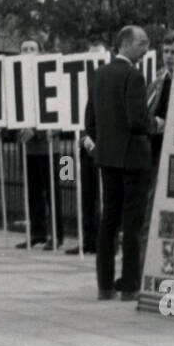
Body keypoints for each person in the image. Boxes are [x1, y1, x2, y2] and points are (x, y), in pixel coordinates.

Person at [82, 26, 158, 300]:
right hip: (134, 159)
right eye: (141, 42)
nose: (146, 47)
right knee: (132, 224)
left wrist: (101, 146)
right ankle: (129, 286)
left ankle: (104, 285)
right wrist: (156, 124)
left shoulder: (99, 75)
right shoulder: (134, 76)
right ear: (125, 45)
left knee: (108, 221)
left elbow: (89, 120)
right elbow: (137, 120)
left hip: (108, 158)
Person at [15, 40, 65, 249]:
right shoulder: (19, 80)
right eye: (24, 49)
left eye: (32, 49)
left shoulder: (50, 76)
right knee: (33, 190)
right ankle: (37, 231)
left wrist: (36, 129)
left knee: (52, 190)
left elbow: (58, 109)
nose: (28, 52)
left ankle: (57, 234)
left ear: (40, 52)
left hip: (48, 145)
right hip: (28, 146)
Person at [138, 28, 174, 257]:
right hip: (153, 153)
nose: (170, 57)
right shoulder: (157, 81)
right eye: (166, 52)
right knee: (147, 211)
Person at [66, 42, 106, 256]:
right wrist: (83, 137)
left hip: (104, 146)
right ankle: (87, 238)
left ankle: (102, 240)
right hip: (85, 147)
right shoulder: (81, 86)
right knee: (86, 194)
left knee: (103, 196)